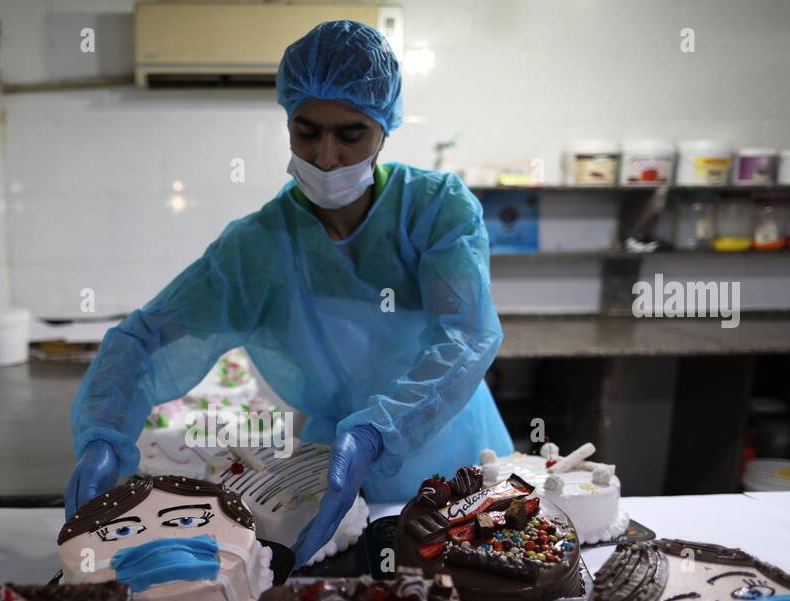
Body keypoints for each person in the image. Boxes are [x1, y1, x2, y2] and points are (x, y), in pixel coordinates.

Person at [65, 19, 512, 567]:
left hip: (453, 444)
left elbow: (466, 335)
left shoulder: (436, 209)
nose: (326, 157)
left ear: (384, 129)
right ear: (288, 122)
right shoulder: (258, 247)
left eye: (350, 134)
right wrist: (106, 434)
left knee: (474, 587)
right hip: (334, 462)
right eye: (307, 131)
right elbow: (147, 337)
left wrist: (379, 429)